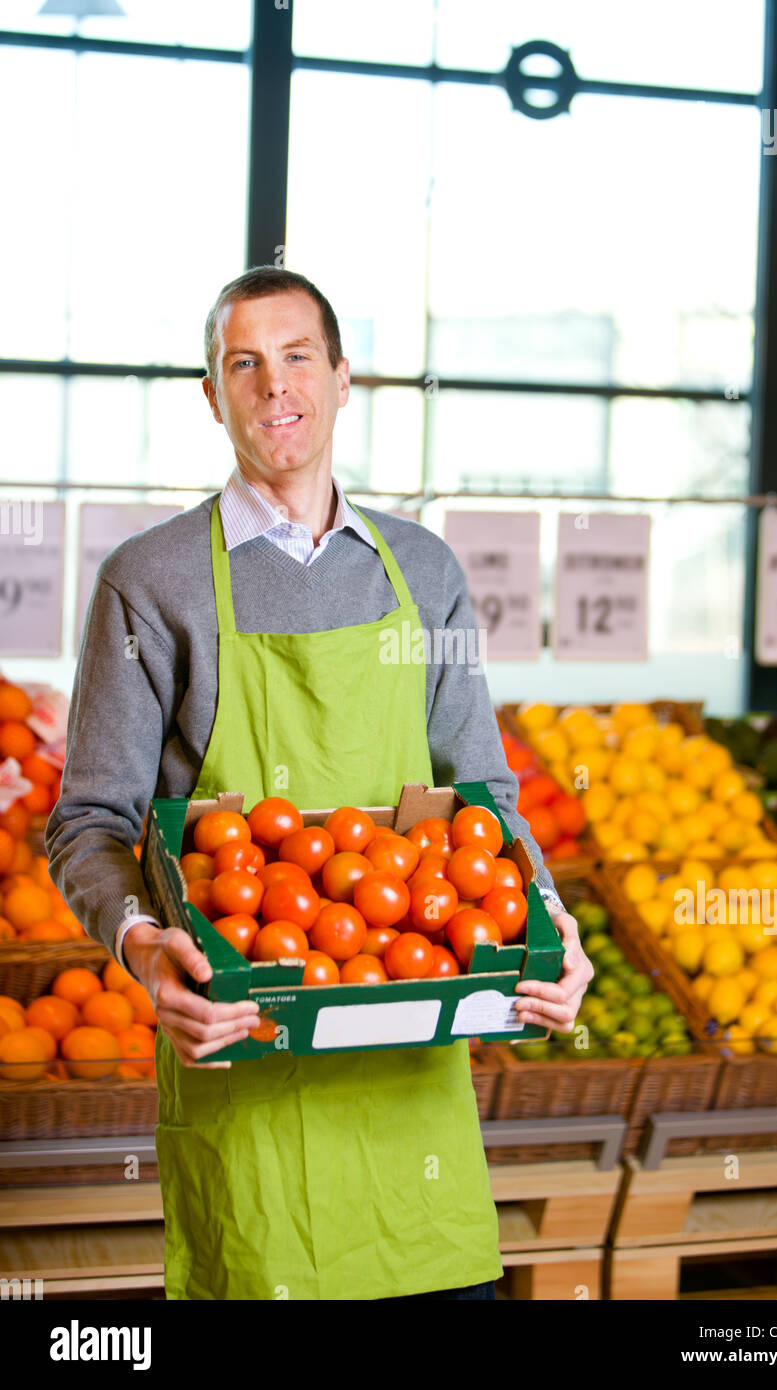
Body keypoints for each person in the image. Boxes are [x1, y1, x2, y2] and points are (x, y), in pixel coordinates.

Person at [46, 266, 593, 1302]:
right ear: (212, 393)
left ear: (344, 380)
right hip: (247, 1071)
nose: (273, 384)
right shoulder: (148, 578)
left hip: (412, 1063)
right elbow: (87, 821)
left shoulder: (423, 573)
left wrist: (549, 920)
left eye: (297, 356)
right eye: (241, 362)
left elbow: (480, 791)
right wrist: (139, 943)